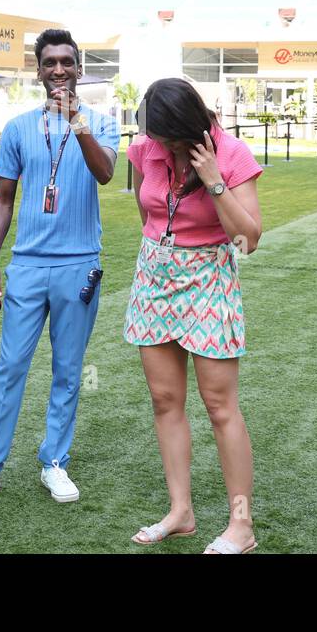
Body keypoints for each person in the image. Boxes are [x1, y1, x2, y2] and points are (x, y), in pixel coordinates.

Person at [0, 29, 120, 510]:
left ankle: (54, 462)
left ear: (79, 68)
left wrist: (78, 122)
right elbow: (2, 200)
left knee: (68, 371)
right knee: (9, 368)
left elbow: (105, 173)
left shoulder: (103, 124)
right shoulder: (18, 128)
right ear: (38, 69)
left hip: (79, 266)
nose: (59, 70)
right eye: (49, 63)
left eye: (67, 61)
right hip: (26, 266)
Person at [123, 78, 264, 554]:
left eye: (164, 135)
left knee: (220, 406)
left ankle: (240, 525)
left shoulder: (232, 155)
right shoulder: (145, 149)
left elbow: (247, 240)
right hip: (154, 277)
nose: (154, 143)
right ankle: (181, 511)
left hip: (209, 277)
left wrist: (213, 182)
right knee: (165, 399)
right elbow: (147, 208)